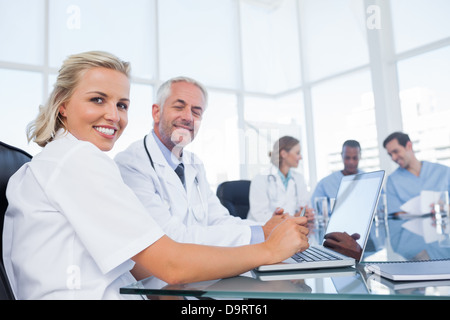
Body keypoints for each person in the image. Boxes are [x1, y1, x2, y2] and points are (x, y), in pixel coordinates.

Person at [2, 51, 309, 300]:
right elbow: (171, 263)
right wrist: (267, 249)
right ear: (64, 105)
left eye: (121, 105)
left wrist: (260, 235)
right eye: (98, 99)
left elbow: (130, 262)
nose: (113, 115)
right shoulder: (81, 159)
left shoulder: (56, 161)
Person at [115, 77, 288, 246]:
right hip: (160, 275)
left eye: (196, 111)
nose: (188, 117)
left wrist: (269, 229)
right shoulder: (132, 164)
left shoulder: (194, 164)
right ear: (156, 112)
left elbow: (218, 220)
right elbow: (170, 240)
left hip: (206, 269)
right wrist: (260, 233)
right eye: (179, 107)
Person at [383, 131, 450, 216]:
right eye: (390, 154)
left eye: (396, 151)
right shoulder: (392, 181)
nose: (393, 158)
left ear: (409, 146)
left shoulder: (444, 171)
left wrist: (445, 207)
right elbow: (396, 214)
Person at [247, 136, 312, 223]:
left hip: (292, 229)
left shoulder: (298, 178)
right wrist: (293, 217)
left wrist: (307, 214)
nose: (300, 157)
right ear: (284, 154)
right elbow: (260, 215)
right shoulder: (261, 179)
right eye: (297, 153)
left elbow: (305, 206)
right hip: (264, 231)